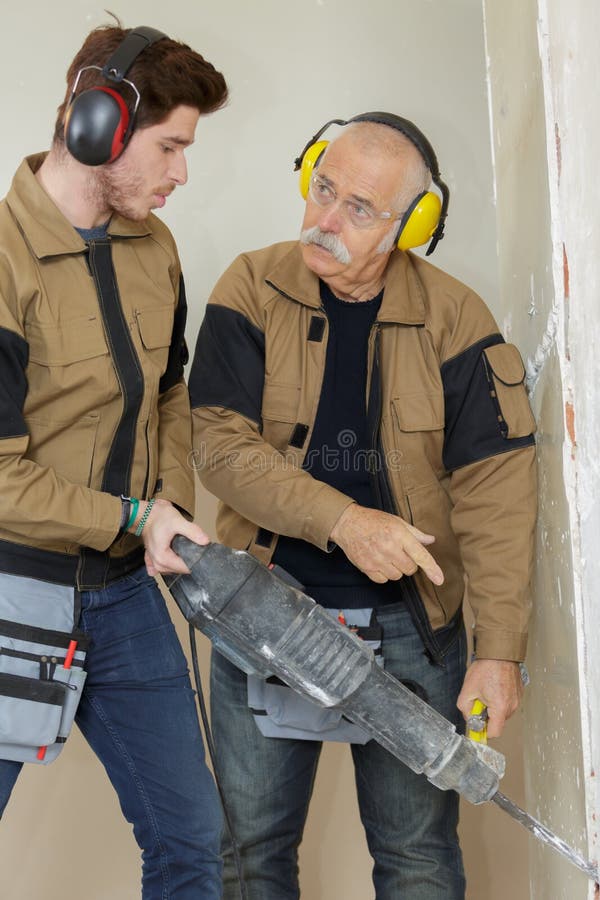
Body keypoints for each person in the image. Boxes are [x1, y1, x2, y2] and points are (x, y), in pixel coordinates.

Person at [188, 112, 537, 899]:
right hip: (263, 618)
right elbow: (218, 446)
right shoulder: (249, 286)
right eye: (323, 189)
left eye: (359, 209)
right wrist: (344, 522)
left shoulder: (458, 319)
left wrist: (499, 650)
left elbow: (498, 493)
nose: (326, 220)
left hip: (416, 632)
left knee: (417, 856)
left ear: (410, 226)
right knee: (248, 852)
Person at [0, 23, 228, 899]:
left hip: (127, 593)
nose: (181, 172)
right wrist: (135, 515)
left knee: (191, 841)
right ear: (100, 125)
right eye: (171, 145)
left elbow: (168, 392)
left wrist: (165, 506)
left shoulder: (154, 250)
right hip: (18, 586)